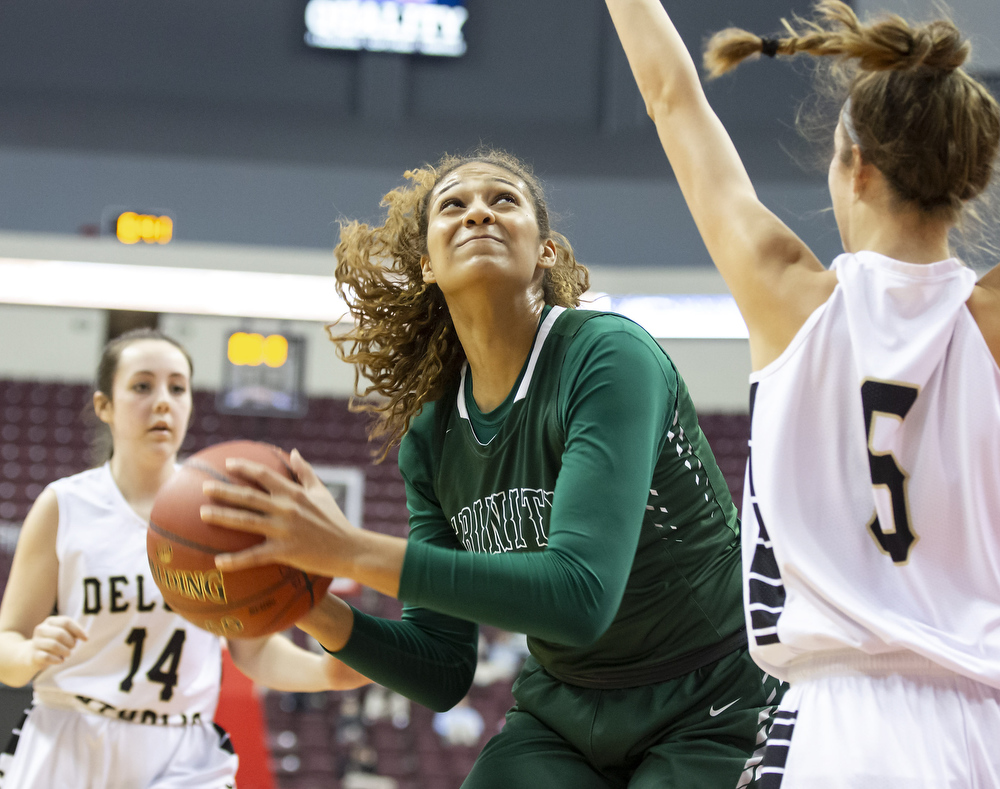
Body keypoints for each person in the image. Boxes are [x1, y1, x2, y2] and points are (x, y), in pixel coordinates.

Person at [200, 148, 785, 788]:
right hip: (564, 705)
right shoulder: (432, 438)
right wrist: (303, 598)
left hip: (711, 693)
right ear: (427, 263)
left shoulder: (609, 356)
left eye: (503, 200)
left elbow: (580, 597)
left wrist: (346, 551)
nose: (478, 211)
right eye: (453, 205)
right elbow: (441, 668)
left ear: (547, 252)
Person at [603, 0, 1000, 785]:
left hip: (834, 726)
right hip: (980, 731)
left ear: (855, 165)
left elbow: (670, 95)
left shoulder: (787, 294)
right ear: (971, 176)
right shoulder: (989, 325)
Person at [0, 328, 369, 789]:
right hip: (71, 732)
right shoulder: (63, 504)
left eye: (177, 388)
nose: (162, 401)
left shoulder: (223, 509)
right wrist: (29, 653)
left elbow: (251, 648)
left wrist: (323, 673)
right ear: (104, 406)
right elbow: (6, 644)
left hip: (182, 752)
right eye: (141, 386)